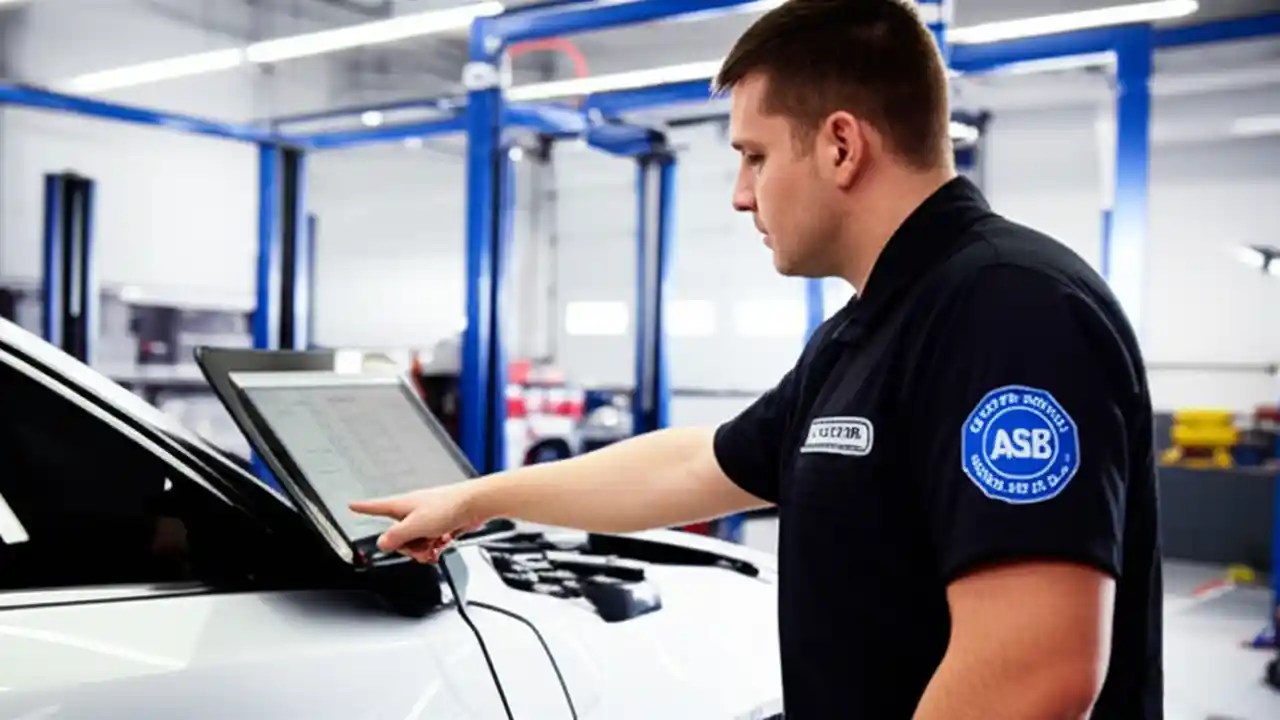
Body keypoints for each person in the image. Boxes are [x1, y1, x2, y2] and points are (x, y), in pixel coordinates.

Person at [351, 0, 1163, 717]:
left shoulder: (1008, 307)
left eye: (755, 156)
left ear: (841, 145)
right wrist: (476, 498)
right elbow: (694, 465)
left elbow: (1036, 675)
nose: (741, 194)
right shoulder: (866, 331)